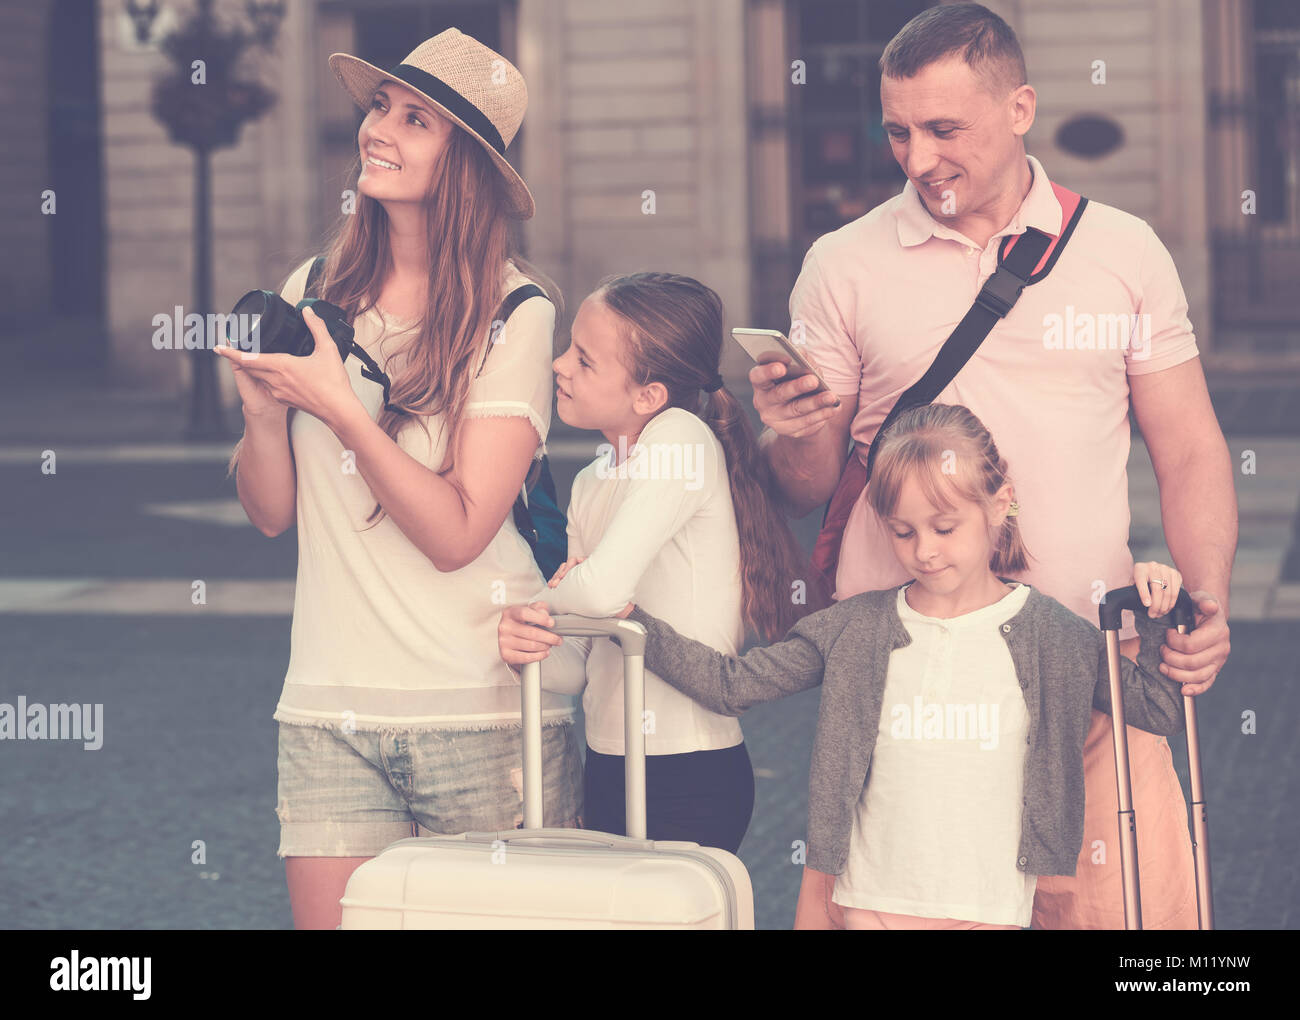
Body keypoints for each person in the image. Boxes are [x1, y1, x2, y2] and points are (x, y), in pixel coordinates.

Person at [751, 3, 1235, 929]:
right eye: (897, 131)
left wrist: (1203, 601)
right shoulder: (842, 262)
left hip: (1092, 663)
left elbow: (1190, 447)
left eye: (943, 130)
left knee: (1128, 925)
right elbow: (807, 485)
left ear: (1020, 109)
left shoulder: (1123, 251)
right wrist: (796, 425)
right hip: (907, 682)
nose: (917, 159)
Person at [521, 402, 1197, 928]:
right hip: (868, 900)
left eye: (943, 527)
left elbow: (1161, 709)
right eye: (902, 532)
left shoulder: (1053, 634)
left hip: (990, 906)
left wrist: (1165, 605)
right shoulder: (858, 627)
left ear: (999, 504)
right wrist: (628, 620)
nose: (924, 551)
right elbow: (733, 685)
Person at [215, 29, 579, 930]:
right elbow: (270, 514)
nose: (380, 128)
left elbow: (458, 533)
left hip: (484, 716)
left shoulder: (516, 313)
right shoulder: (315, 286)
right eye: (380, 106)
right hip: (327, 709)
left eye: (416, 119)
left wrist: (338, 407)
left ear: (466, 166)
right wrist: (265, 415)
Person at [497, 273, 810, 854]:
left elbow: (597, 595)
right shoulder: (593, 481)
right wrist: (529, 639)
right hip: (609, 765)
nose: (560, 365)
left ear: (649, 396)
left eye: (585, 361)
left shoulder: (680, 439)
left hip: (687, 771)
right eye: (568, 347)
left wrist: (557, 601)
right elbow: (575, 665)